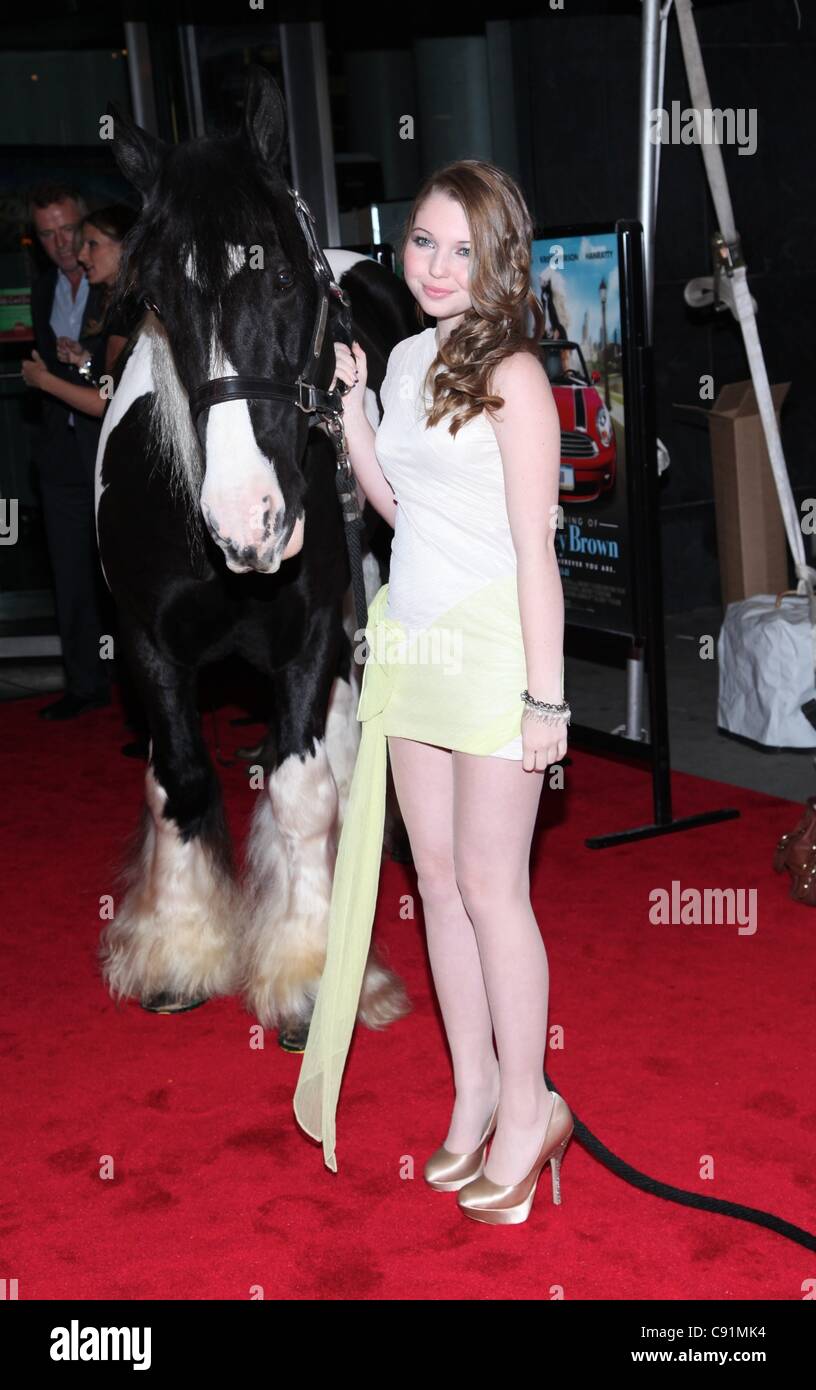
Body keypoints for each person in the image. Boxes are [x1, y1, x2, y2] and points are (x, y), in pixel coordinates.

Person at [293, 160, 574, 1227]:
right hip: (411, 644)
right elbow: (401, 510)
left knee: (497, 892)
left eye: (463, 248)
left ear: (499, 260)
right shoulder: (407, 356)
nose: (439, 265)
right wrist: (359, 412)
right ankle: (473, 1096)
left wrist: (548, 703)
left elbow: (536, 553)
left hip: (497, 650)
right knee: (442, 888)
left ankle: (530, 1104)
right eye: (423, 241)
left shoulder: (517, 376)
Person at [24, 196, 139, 719]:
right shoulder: (47, 287)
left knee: (124, 575)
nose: (65, 244)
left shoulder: (123, 295)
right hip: (60, 451)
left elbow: (110, 392)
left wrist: (48, 379)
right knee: (70, 574)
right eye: (48, 235)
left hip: (110, 451)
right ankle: (86, 683)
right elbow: (107, 373)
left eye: (73, 231)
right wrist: (85, 362)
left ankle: (137, 691)